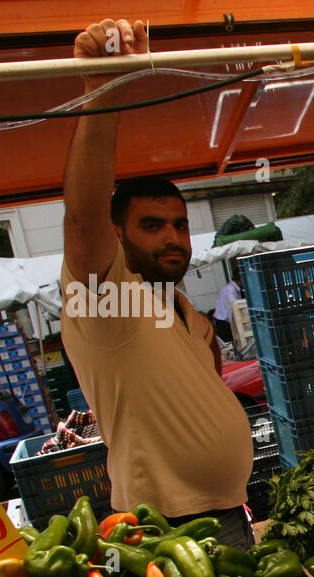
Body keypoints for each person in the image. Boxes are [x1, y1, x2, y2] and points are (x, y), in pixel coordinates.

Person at [60, 16, 253, 547]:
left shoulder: (187, 311)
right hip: (167, 532)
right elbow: (82, 218)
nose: (172, 238)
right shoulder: (107, 306)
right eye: (152, 226)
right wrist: (103, 89)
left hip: (226, 516)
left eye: (180, 224)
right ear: (116, 235)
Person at [212, 278, 241, 343]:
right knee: (230, 344)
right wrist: (235, 325)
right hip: (224, 323)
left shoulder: (232, 288)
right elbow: (233, 308)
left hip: (225, 322)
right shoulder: (230, 289)